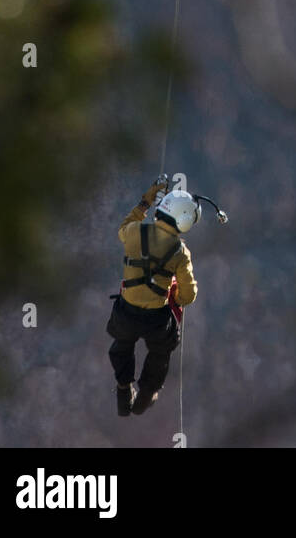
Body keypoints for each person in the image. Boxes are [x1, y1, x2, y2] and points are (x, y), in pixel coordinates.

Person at [106, 176, 199, 417]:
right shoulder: (180, 251)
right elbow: (188, 295)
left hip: (126, 310)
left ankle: (123, 389)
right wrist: (175, 298)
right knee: (161, 351)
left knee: (122, 345)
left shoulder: (134, 232)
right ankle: (147, 393)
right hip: (157, 319)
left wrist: (146, 201)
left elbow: (123, 227)